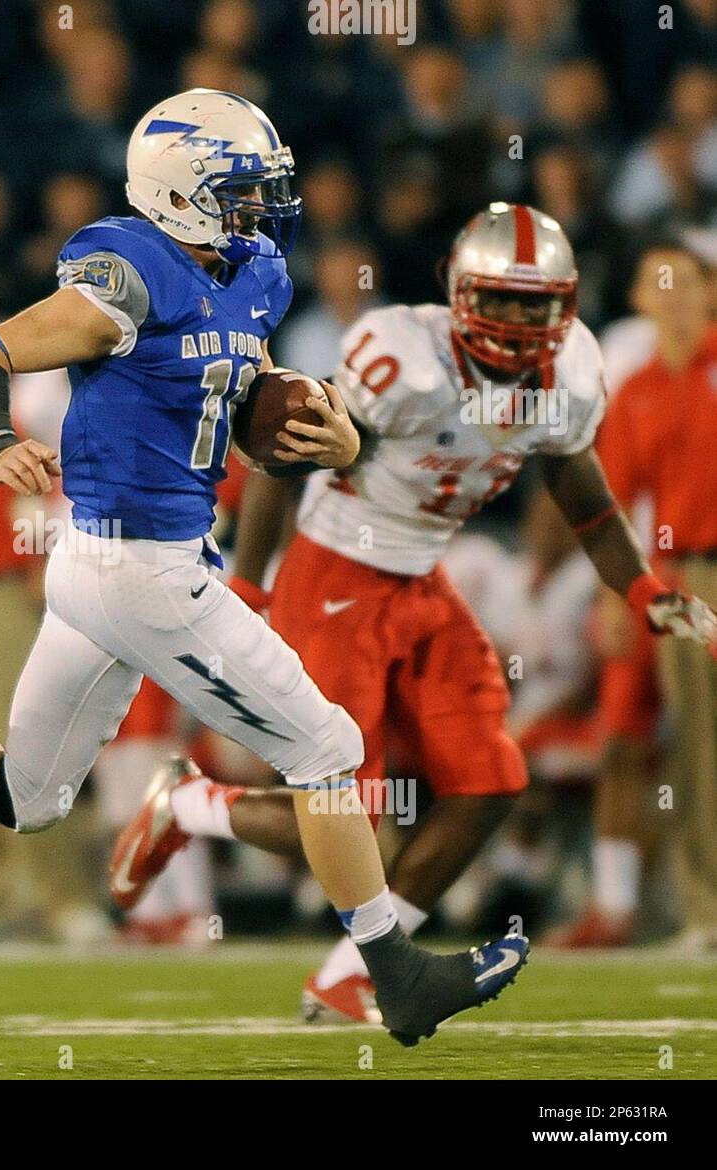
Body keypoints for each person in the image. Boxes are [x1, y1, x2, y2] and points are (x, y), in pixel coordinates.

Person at [0, 89, 529, 1045]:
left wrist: (328, 436)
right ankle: (391, 973)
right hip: (136, 566)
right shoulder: (126, 273)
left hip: (116, 564)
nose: (261, 210)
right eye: (243, 190)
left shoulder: (254, 274)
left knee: (29, 800)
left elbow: (236, 404)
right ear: (180, 190)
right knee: (326, 749)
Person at [109, 202, 717, 1025]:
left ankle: (349, 976)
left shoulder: (572, 371)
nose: (517, 321)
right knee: (346, 816)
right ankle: (184, 804)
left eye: (536, 304)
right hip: (336, 577)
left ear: (566, 307)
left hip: (422, 579)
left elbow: (581, 492)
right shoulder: (406, 358)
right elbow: (286, 454)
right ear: (458, 293)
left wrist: (640, 588)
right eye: (500, 299)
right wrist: (248, 588)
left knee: (491, 781)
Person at [595, 239, 717, 950]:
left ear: (710, 291)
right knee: (697, 749)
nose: (670, 293)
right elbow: (611, 507)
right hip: (686, 579)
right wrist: (618, 598)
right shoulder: (636, 391)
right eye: (656, 281)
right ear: (639, 300)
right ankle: (705, 910)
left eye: (685, 280)